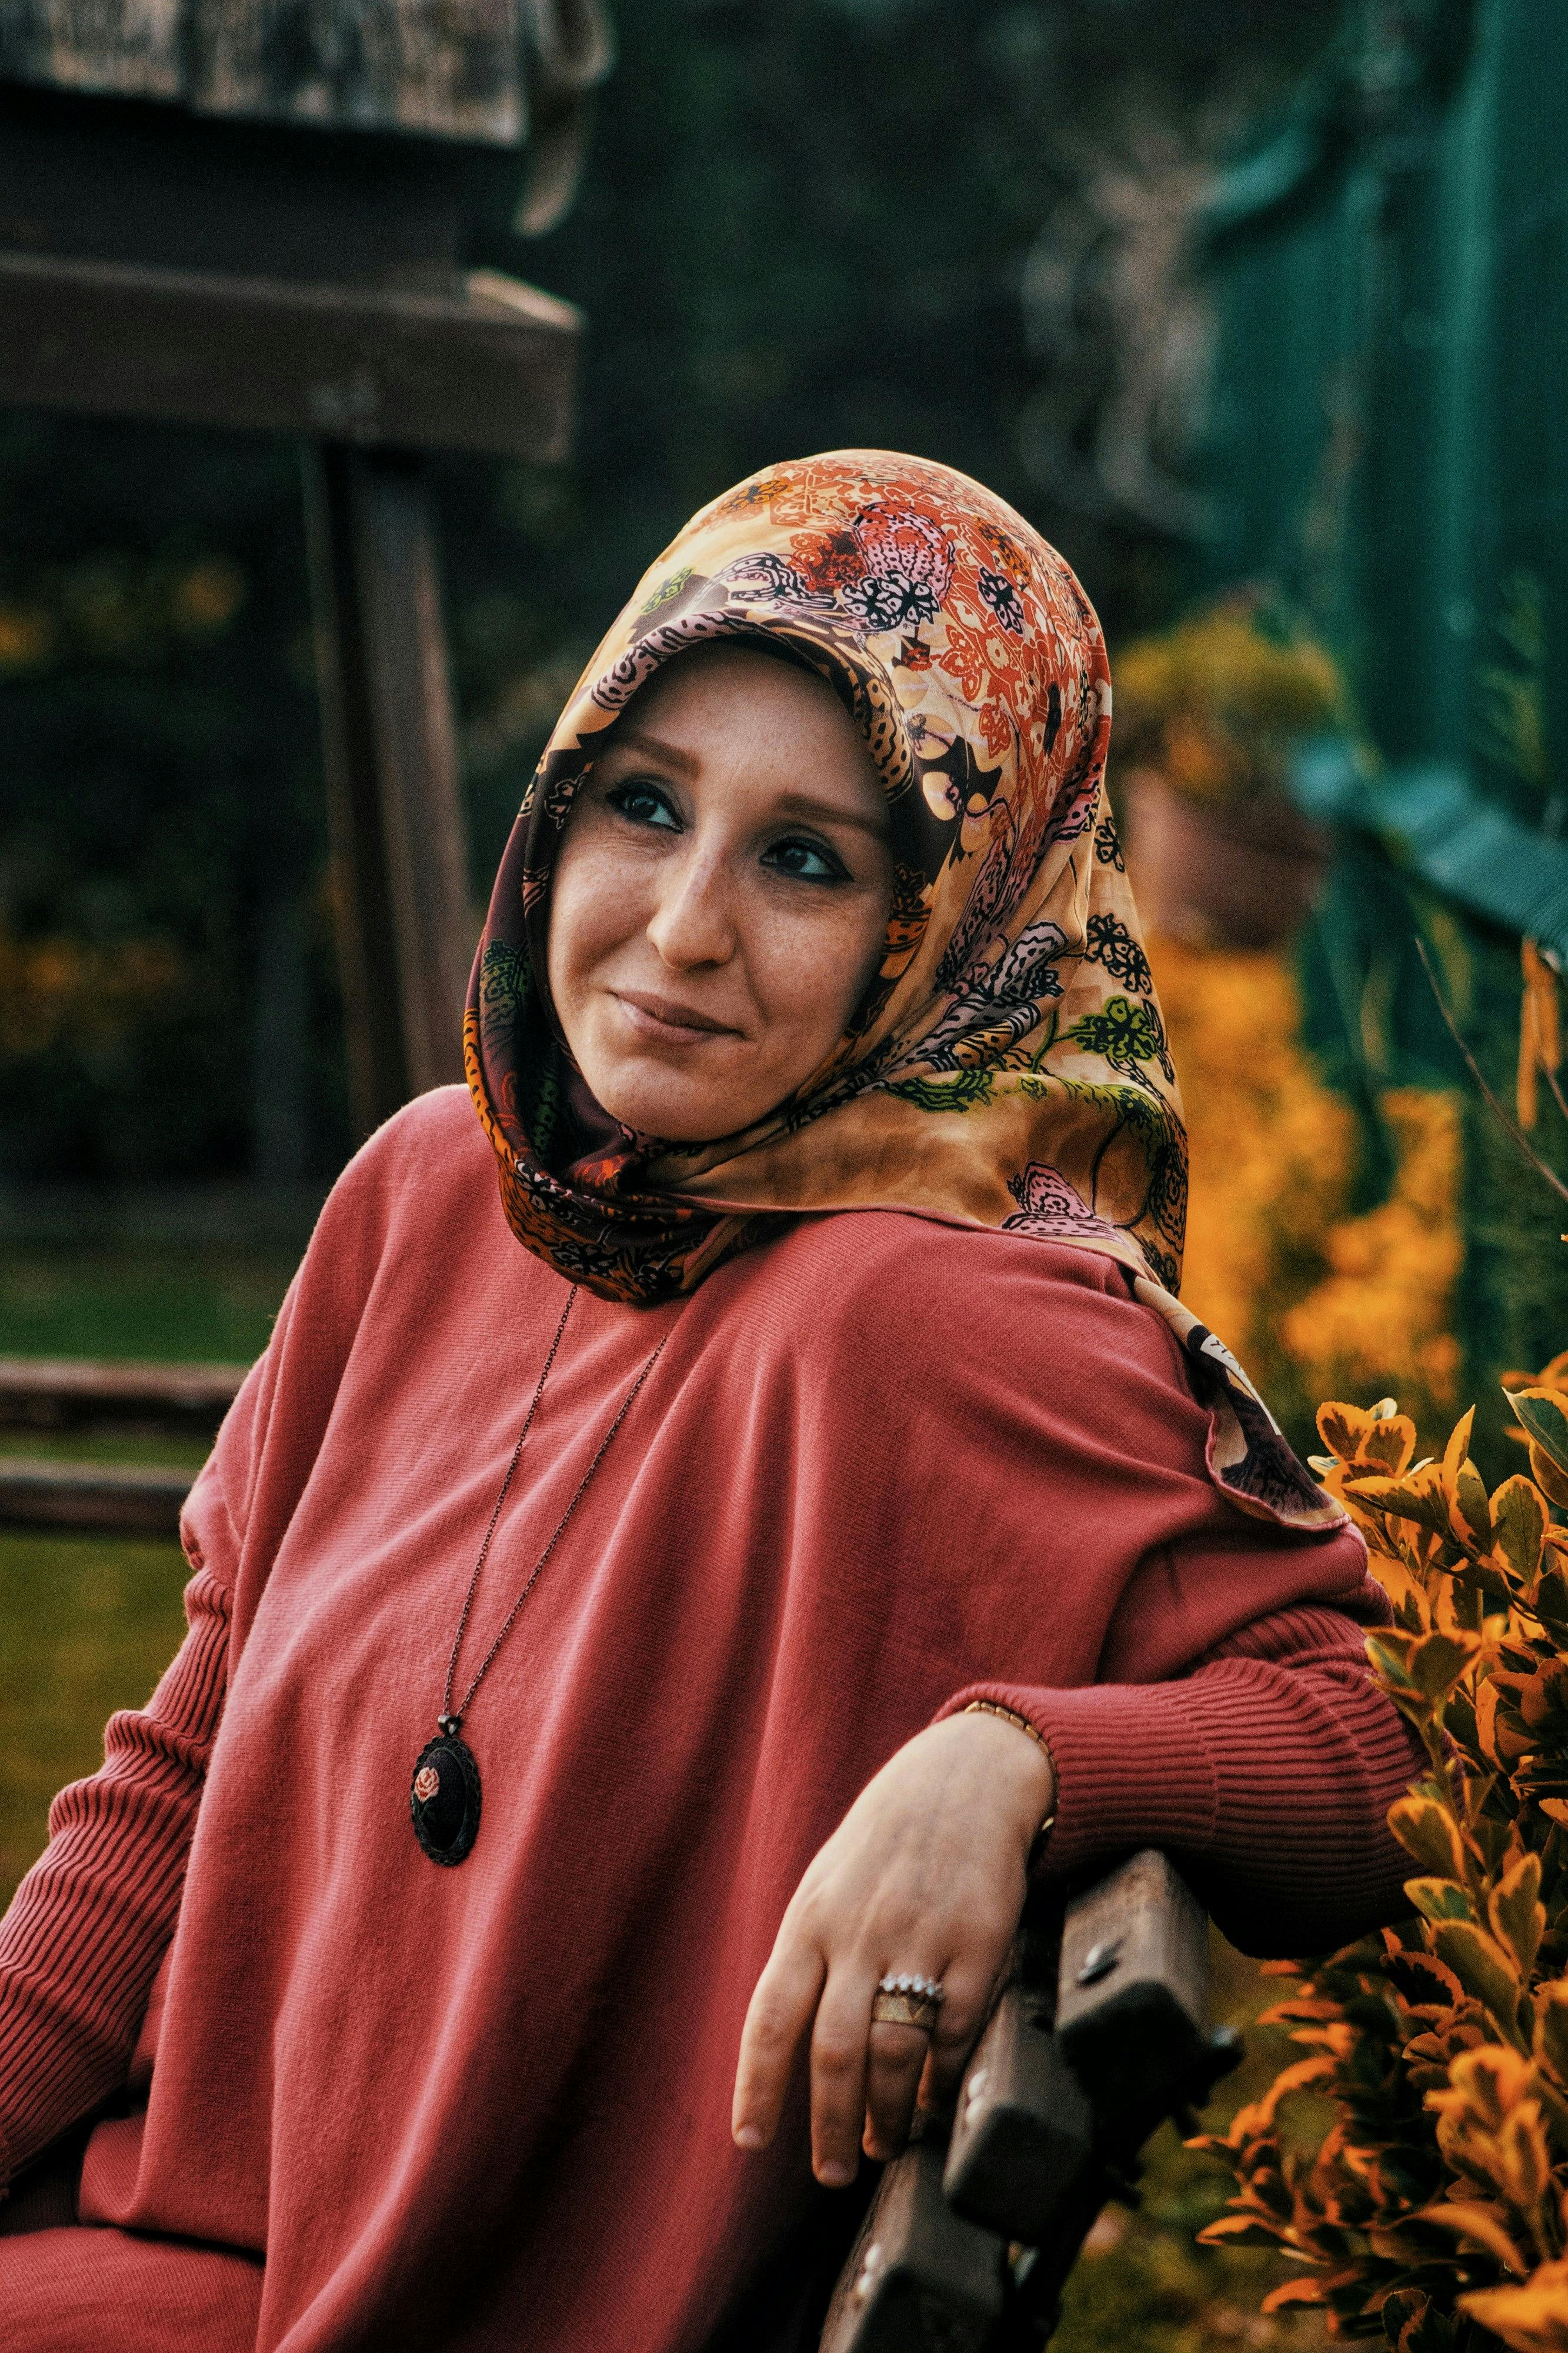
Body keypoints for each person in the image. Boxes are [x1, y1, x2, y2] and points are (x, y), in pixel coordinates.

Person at [0, 451, 1419, 2353]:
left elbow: (1369, 1753)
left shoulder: (955, 1326)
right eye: (641, 807)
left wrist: (1013, 1762)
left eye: (806, 859)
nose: (677, 928)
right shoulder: (434, 1189)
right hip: (167, 2244)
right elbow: (175, 1775)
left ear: (961, 919)